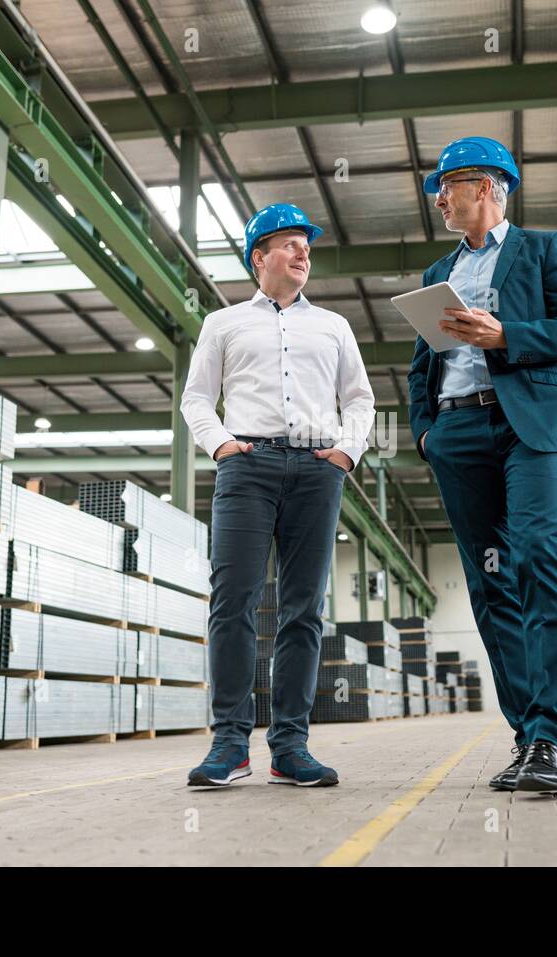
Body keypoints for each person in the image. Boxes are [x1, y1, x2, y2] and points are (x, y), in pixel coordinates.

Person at [407, 137, 557, 793]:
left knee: (537, 556)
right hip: (458, 432)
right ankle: (525, 737)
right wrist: (427, 430)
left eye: (448, 185)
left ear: (487, 187)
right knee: (490, 583)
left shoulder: (545, 249)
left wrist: (508, 335)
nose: (438, 197)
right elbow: (420, 365)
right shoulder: (439, 271)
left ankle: (551, 736)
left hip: (530, 423)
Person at [180, 203, 375, 787]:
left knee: (303, 609)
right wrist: (220, 447)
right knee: (232, 602)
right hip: (247, 468)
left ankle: (290, 746)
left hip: (318, 472)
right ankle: (230, 744)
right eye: (290, 244)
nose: (303, 253)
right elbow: (196, 398)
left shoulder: (334, 326)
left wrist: (346, 453)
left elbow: (360, 399)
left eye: (307, 247)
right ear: (259, 257)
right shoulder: (223, 323)